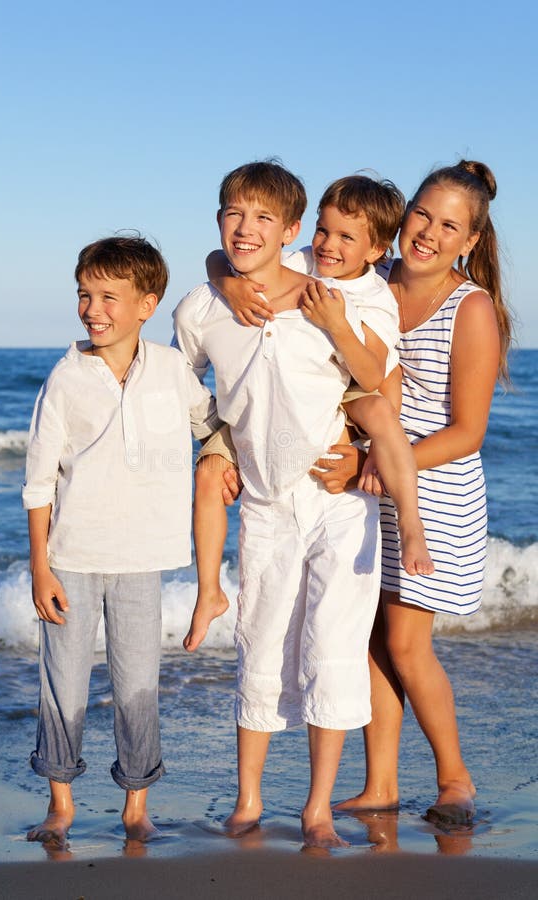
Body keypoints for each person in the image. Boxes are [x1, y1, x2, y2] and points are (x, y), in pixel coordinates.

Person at [173, 160, 382, 848]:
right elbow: (187, 391)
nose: (246, 228)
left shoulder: (332, 294)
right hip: (263, 502)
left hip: (337, 499)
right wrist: (214, 444)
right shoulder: (201, 308)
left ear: (290, 232)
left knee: (334, 648)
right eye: (234, 213)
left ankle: (318, 807)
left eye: (264, 218)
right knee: (259, 647)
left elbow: (373, 376)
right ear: (217, 221)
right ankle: (249, 799)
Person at [319, 160, 512, 826]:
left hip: (436, 492)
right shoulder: (369, 281)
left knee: (406, 643)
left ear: (470, 241)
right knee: (372, 638)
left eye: (448, 225)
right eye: (423, 214)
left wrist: (376, 462)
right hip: (371, 489)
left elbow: (467, 432)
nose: (427, 232)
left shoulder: (472, 308)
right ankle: (380, 785)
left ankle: (455, 779)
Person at [22, 235, 221, 847]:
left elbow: (211, 422)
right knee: (64, 686)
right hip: (72, 557)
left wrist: (220, 458)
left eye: (110, 296)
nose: (93, 309)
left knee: (138, 685)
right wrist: (40, 567)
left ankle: (137, 805)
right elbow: (38, 481)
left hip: (142, 559)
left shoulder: (169, 369)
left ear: (147, 303)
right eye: (85, 295)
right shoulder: (65, 376)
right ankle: (61, 803)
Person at [185, 175, 434, 653]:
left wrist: (337, 324)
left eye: (345, 237)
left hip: (350, 383)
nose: (327, 245)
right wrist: (230, 285)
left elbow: (371, 372)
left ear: (376, 249)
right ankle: (209, 588)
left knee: (382, 415)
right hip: (293, 392)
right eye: (323, 231)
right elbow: (223, 257)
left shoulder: (376, 295)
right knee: (208, 472)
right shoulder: (302, 261)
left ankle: (410, 522)